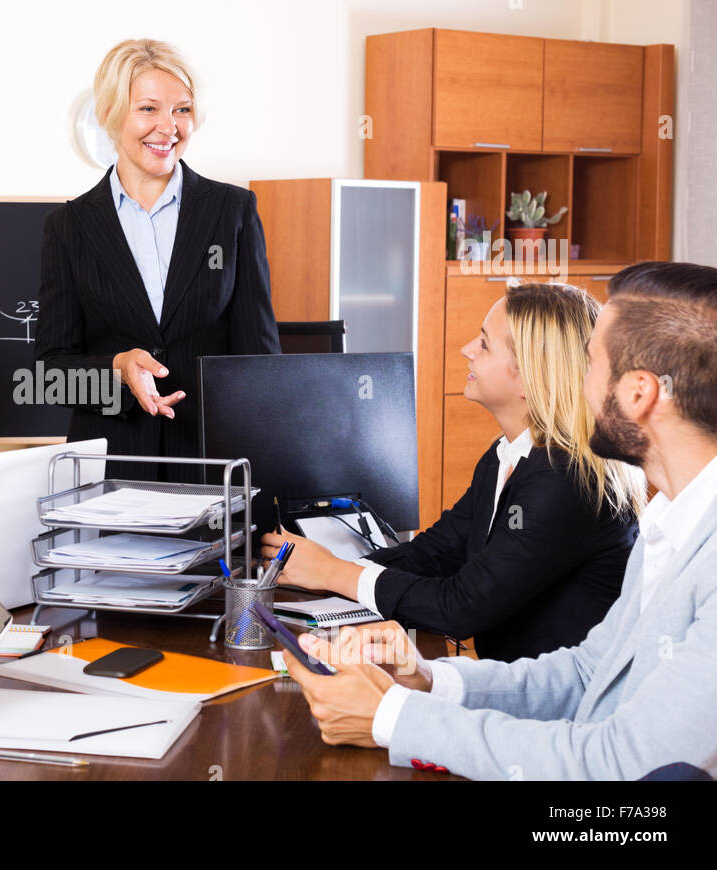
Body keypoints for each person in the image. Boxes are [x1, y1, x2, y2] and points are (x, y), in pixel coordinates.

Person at [280, 261, 717, 780]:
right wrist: (428, 681)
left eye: (590, 360)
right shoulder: (669, 528)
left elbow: (623, 766)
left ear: (639, 394)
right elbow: (584, 676)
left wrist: (394, 717)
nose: (576, 378)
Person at [262, 283, 645, 661]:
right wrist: (315, 567)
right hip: (512, 687)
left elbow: (462, 607)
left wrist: (333, 573)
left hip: (559, 708)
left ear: (529, 376)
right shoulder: (507, 456)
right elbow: (436, 553)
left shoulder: (564, 480)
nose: (467, 350)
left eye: (484, 343)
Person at [34, 38, 280, 482]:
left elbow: (260, 365)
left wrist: (267, 484)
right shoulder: (69, 227)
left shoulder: (232, 212)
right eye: (148, 109)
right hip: (110, 473)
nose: (168, 127)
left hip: (213, 469)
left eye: (182, 110)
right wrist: (118, 370)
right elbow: (50, 375)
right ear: (110, 114)